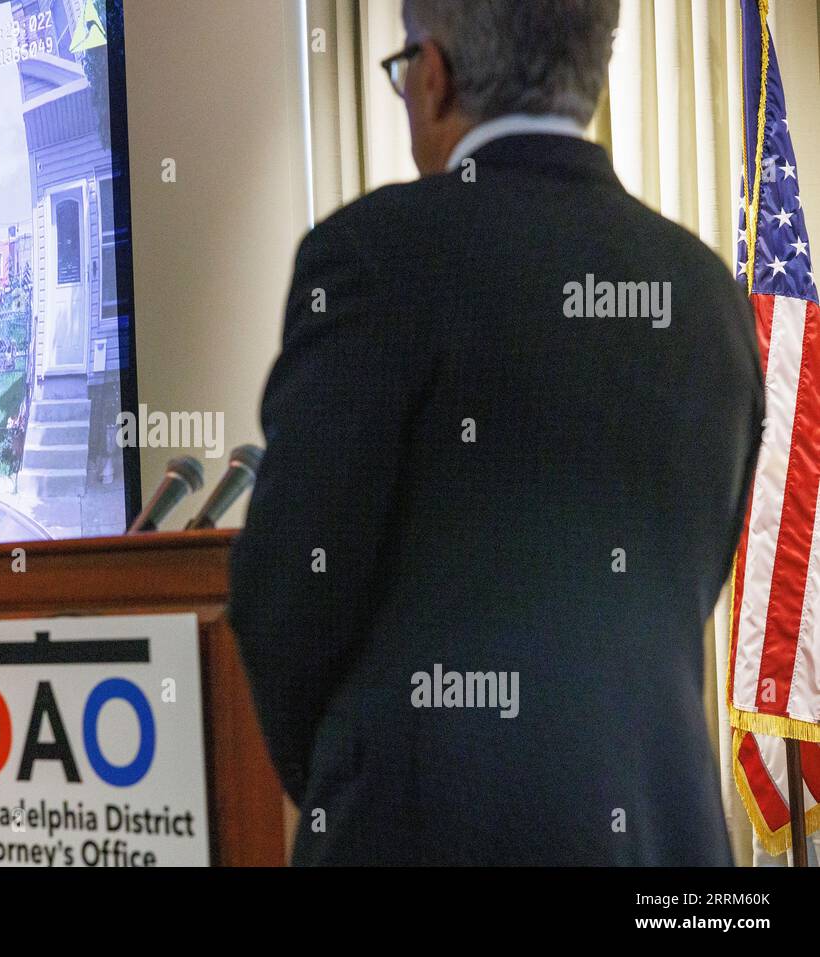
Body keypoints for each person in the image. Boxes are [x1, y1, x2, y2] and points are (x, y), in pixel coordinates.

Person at [228, 0, 764, 865]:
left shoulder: (374, 257)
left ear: (431, 75)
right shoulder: (710, 296)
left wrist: (360, 773)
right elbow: (688, 583)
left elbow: (284, 595)